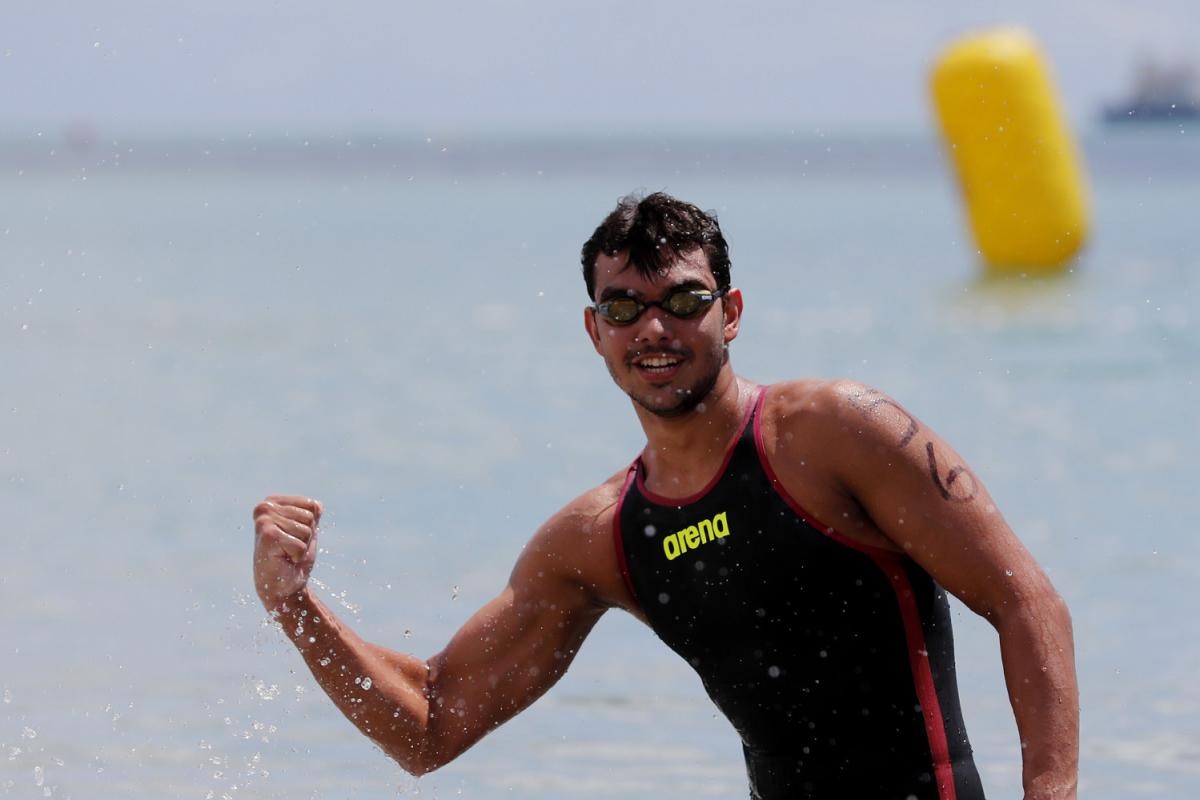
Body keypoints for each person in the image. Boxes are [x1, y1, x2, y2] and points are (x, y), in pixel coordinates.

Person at [252, 192, 1078, 799]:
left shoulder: (835, 430)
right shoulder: (602, 537)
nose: (655, 329)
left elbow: (1024, 600)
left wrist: (1050, 792)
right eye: (625, 307)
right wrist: (295, 608)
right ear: (594, 332)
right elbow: (430, 725)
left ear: (732, 312)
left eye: (684, 300)